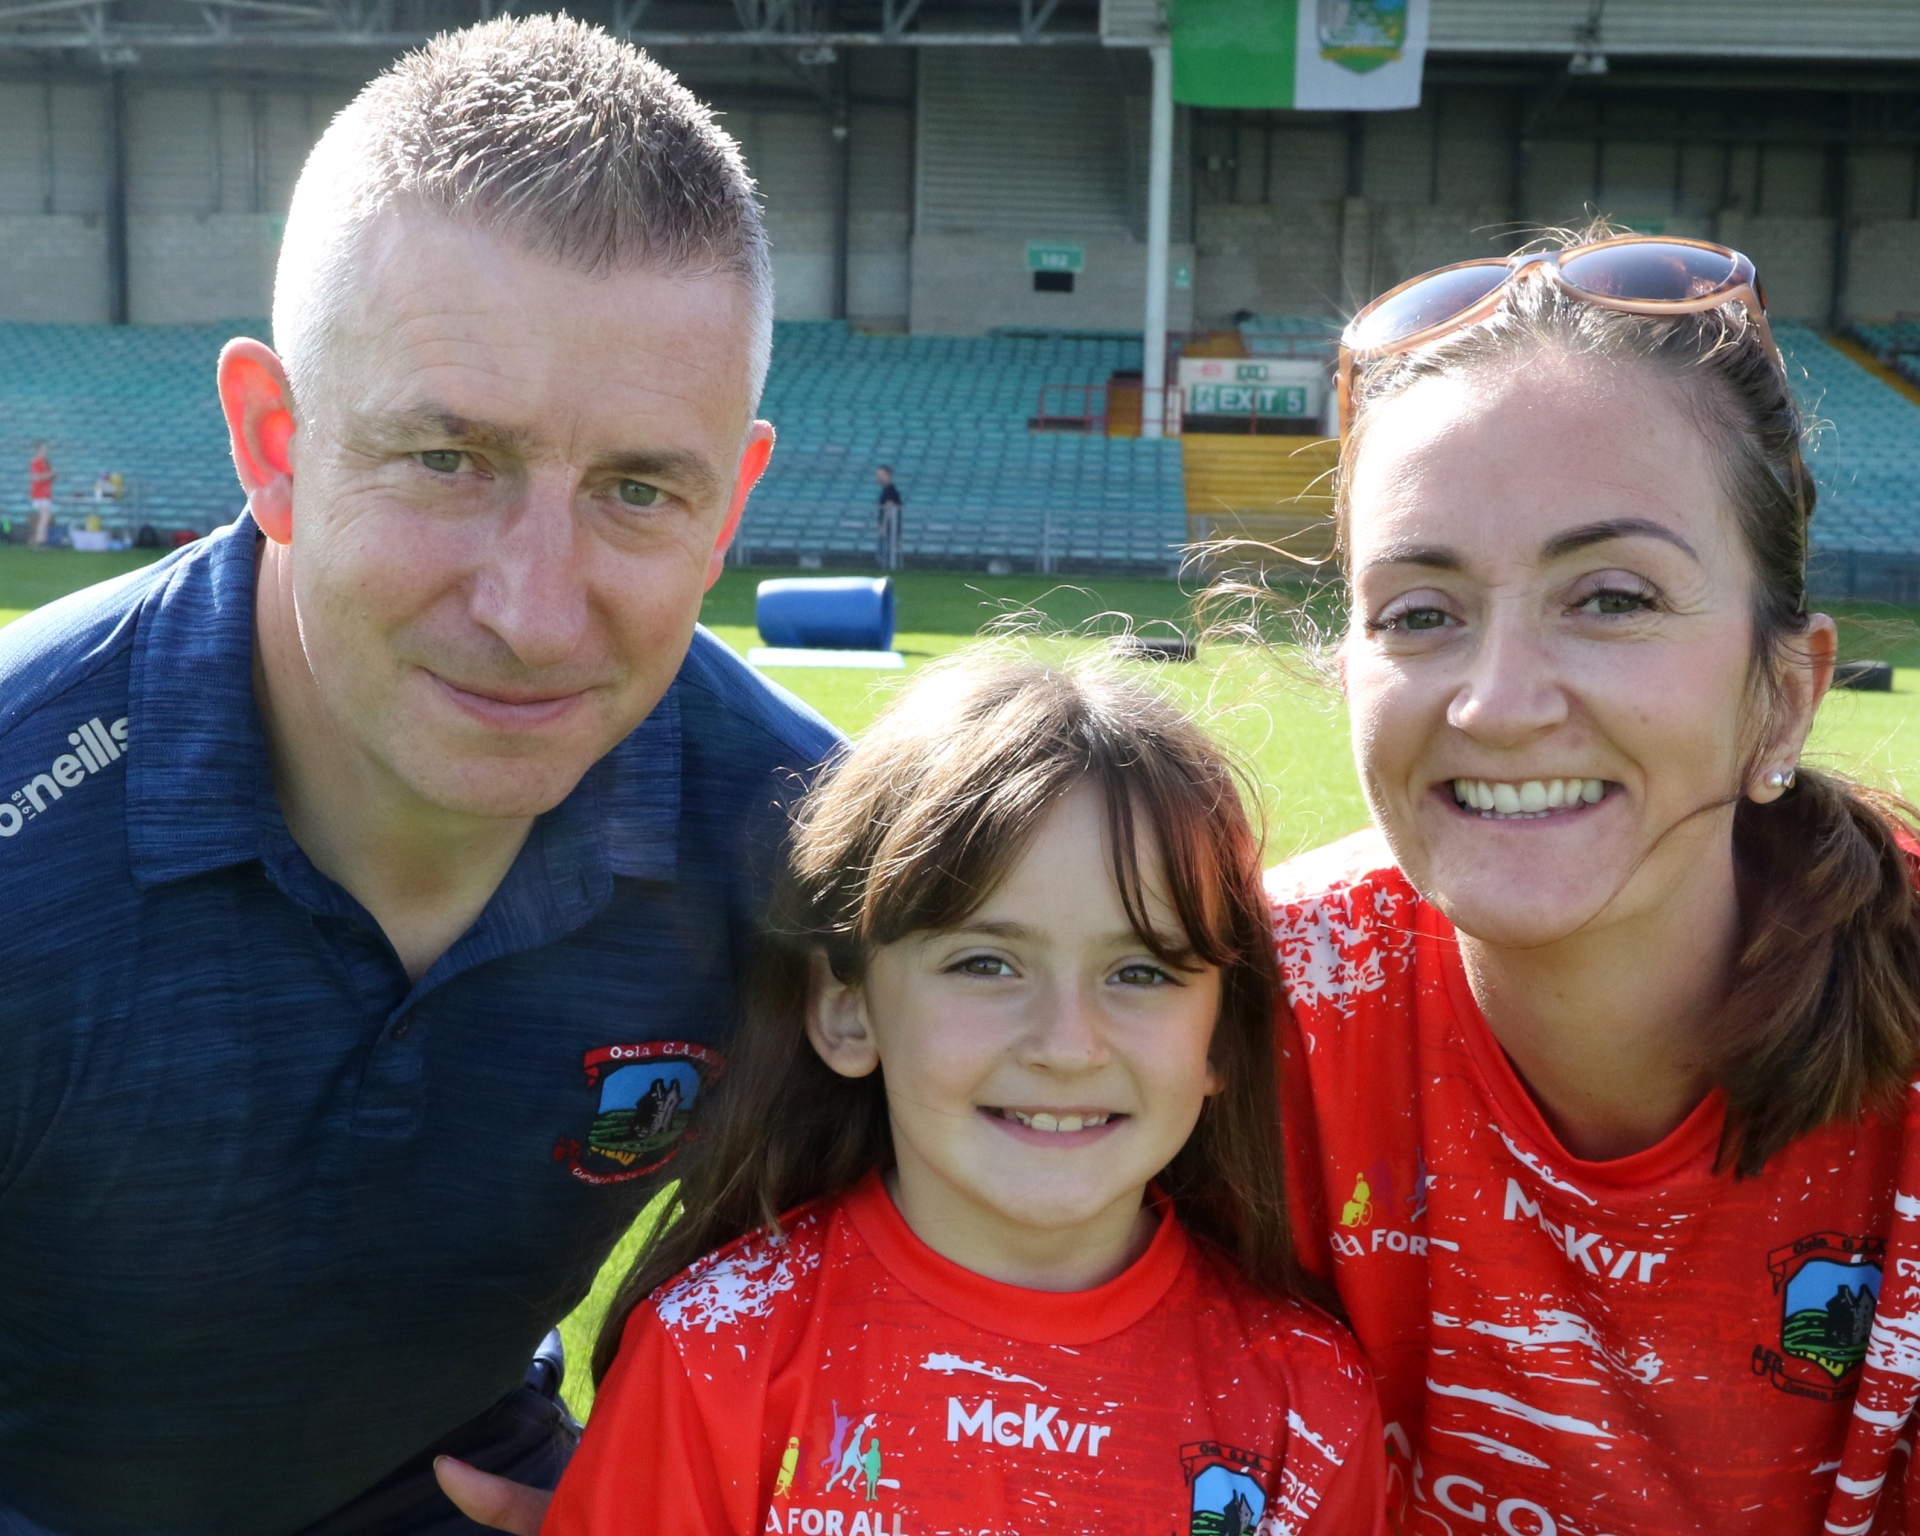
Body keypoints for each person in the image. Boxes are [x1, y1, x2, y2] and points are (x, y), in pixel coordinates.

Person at [0, 18, 835, 1536]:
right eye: (449, 460)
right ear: (274, 441)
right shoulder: (16, 821)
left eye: (641, 491)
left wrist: (682, 1502)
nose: (532, 608)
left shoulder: (809, 848)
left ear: (733, 509)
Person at [1270, 229, 1920, 1533]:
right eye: (1419, 611)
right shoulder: (1226, 1010)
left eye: (1613, 598)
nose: (1501, 703)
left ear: (1783, 695)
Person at [450, 658, 1385, 1534]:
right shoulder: (716, 1352)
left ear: (1221, 1035)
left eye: (1140, 972)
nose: (1066, 1043)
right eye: (986, 963)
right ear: (848, 1009)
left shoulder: (1309, 1401)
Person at [875, 463, 902, 570]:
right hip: (890, 527)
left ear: (888, 475)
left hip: (889, 528)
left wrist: (884, 525)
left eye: (880, 475)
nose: (878, 477)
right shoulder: (888, 489)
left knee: (885, 553)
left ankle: (887, 569)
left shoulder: (889, 489)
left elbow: (889, 507)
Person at [27, 440, 54, 546]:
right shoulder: (36, 462)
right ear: (38, 450)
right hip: (40, 492)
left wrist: (52, 475)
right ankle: (39, 539)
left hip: (45, 492)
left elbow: (47, 479)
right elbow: (36, 477)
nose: (46, 452)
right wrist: (51, 474)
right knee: (45, 515)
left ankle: (40, 538)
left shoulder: (44, 462)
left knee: (45, 516)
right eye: (43, 450)